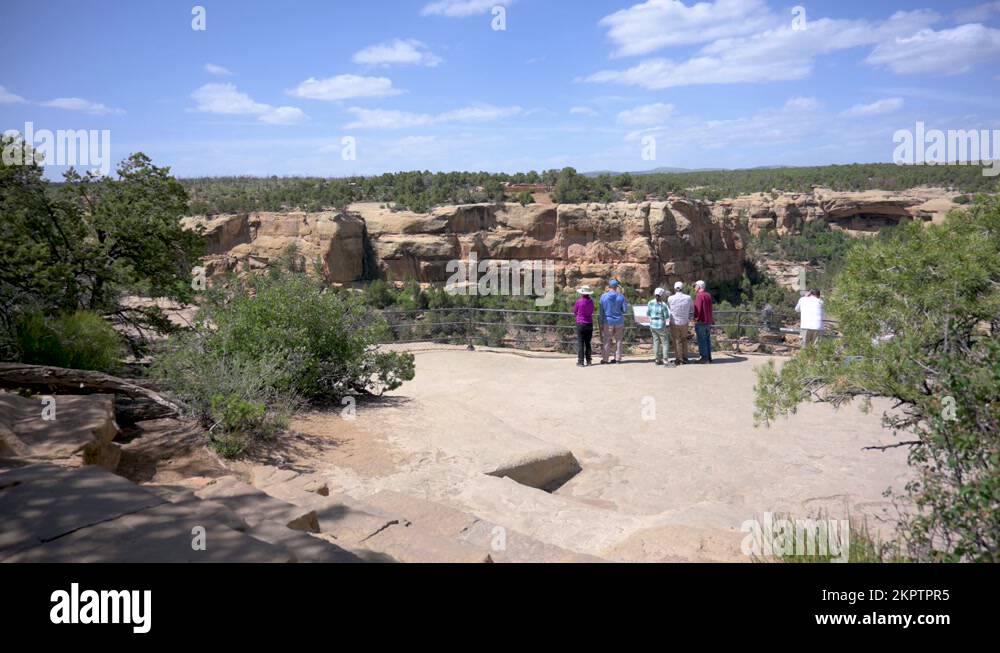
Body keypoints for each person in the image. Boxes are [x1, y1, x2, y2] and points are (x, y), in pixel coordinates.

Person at [599, 279, 629, 364]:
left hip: (608, 321)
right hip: (619, 321)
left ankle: (605, 359)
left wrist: (601, 322)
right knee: (619, 340)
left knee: (607, 340)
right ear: (617, 286)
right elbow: (625, 310)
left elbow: (601, 311)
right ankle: (618, 359)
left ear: (609, 286)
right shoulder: (621, 296)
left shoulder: (603, 296)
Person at [666, 281, 693, 364]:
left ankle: (679, 359)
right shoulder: (688, 297)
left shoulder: (670, 298)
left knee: (677, 340)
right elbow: (692, 309)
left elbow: (668, 308)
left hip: (674, 322)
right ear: (682, 288)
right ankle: (685, 358)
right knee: (684, 340)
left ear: (675, 289)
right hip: (684, 322)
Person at [646, 287, 671, 366]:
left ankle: (657, 359)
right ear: (661, 295)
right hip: (661, 325)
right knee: (665, 342)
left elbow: (648, 313)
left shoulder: (650, 302)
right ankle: (665, 359)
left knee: (656, 342)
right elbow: (666, 316)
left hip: (653, 324)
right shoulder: (663, 304)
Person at [573, 285, 595, 366]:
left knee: (581, 343)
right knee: (588, 343)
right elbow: (592, 311)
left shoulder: (579, 301)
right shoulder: (591, 301)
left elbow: (575, 311)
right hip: (589, 323)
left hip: (581, 324)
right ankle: (589, 361)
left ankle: (581, 361)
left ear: (582, 293)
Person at [693, 280, 714, 364]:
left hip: (701, 321)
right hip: (708, 321)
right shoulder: (708, 295)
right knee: (707, 339)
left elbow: (698, 309)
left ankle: (704, 358)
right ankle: (709, 357)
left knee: (701, 340)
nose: (694, 288)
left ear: (699, 286)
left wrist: (695, 318)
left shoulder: (699, 296)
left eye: (695, 286)